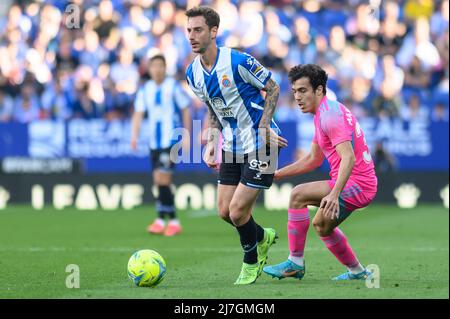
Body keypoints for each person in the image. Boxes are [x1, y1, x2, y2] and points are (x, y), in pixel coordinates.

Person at [185, 6, 288, 285]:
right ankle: (262, 236)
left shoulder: (237, 61)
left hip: (261, 143)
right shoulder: (192, 73)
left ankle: (251, 262)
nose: (192, 36)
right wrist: (211, 142)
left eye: (198, 30)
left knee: (238, 211)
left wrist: (265, 126)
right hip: (231, 145)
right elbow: (213, 107)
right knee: (224, 211)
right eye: (189, 30)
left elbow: (274, 87)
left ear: (214, 31)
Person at [263, 64, 377, 281]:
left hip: (358, 183)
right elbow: (314, 159)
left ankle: (295, 263)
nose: (297, 97)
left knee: (297, 195)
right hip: (355, 181)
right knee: (321, 225)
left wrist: (334, 194)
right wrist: (277, 174)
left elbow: (349, 157)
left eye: (303, 90)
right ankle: (357, 272)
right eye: (295, 91)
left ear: (319, 90)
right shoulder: (323, 113)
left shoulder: (329, 116)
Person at [131, 53, 191, 236]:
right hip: (153, 142)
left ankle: (172, 221)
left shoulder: (173, 86)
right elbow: (138, 113)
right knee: (158, 181)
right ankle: (161, 219)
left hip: (171, 140)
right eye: (153, 66)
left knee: (162, 179)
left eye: (160, 66)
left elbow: (185, 109)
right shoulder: (145, 89)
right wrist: (134, 135)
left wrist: (186, 135)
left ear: (165, 68)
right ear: (149, 70)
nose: (157, 69)